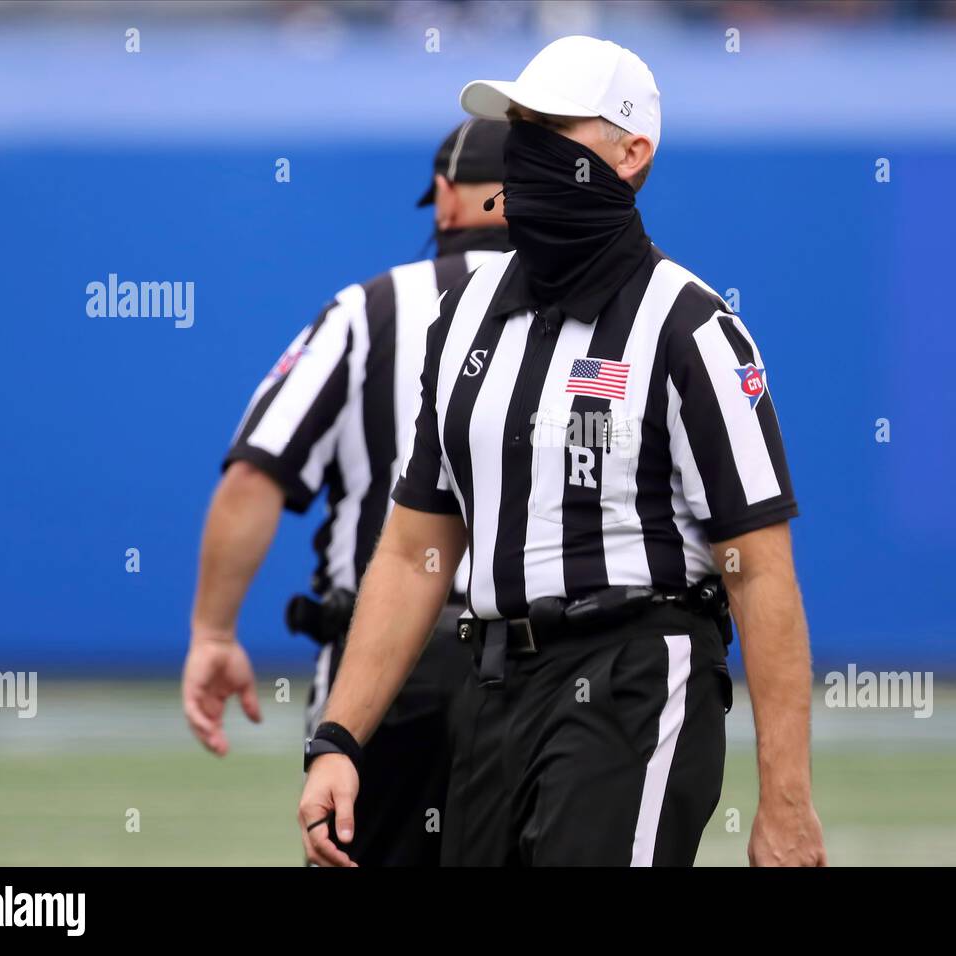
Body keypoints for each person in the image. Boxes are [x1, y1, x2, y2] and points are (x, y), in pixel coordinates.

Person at [299, 36, 826, 867]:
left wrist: (786, 800)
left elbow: (758, 568)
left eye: (554, 128)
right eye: (521, 127)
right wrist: (338, 737)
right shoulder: (468, 313)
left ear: (632, 152)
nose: (529, 150)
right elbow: (413, 551)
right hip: (493, 683)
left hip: (633, 678)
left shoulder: (690, 327)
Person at [182, 119, 512, 865]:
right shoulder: (599, 313)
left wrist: (213, 634)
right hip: (542, 665)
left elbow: (254, 474)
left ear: (443, 199)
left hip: (387, 662)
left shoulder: (370, 312)